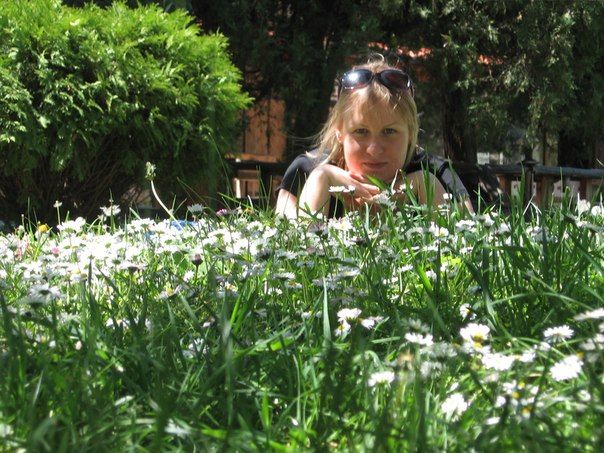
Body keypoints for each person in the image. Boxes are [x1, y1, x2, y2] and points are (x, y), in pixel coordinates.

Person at [276, 59, 474, 218]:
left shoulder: (437, 174)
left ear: (411, 133)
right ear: (340, 132)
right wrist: (322, 179)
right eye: (361, 131)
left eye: (389, 131)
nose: (374, 149)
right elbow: (291, 247)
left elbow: (465, 240)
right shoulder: (306, 170)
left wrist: (426, 185)